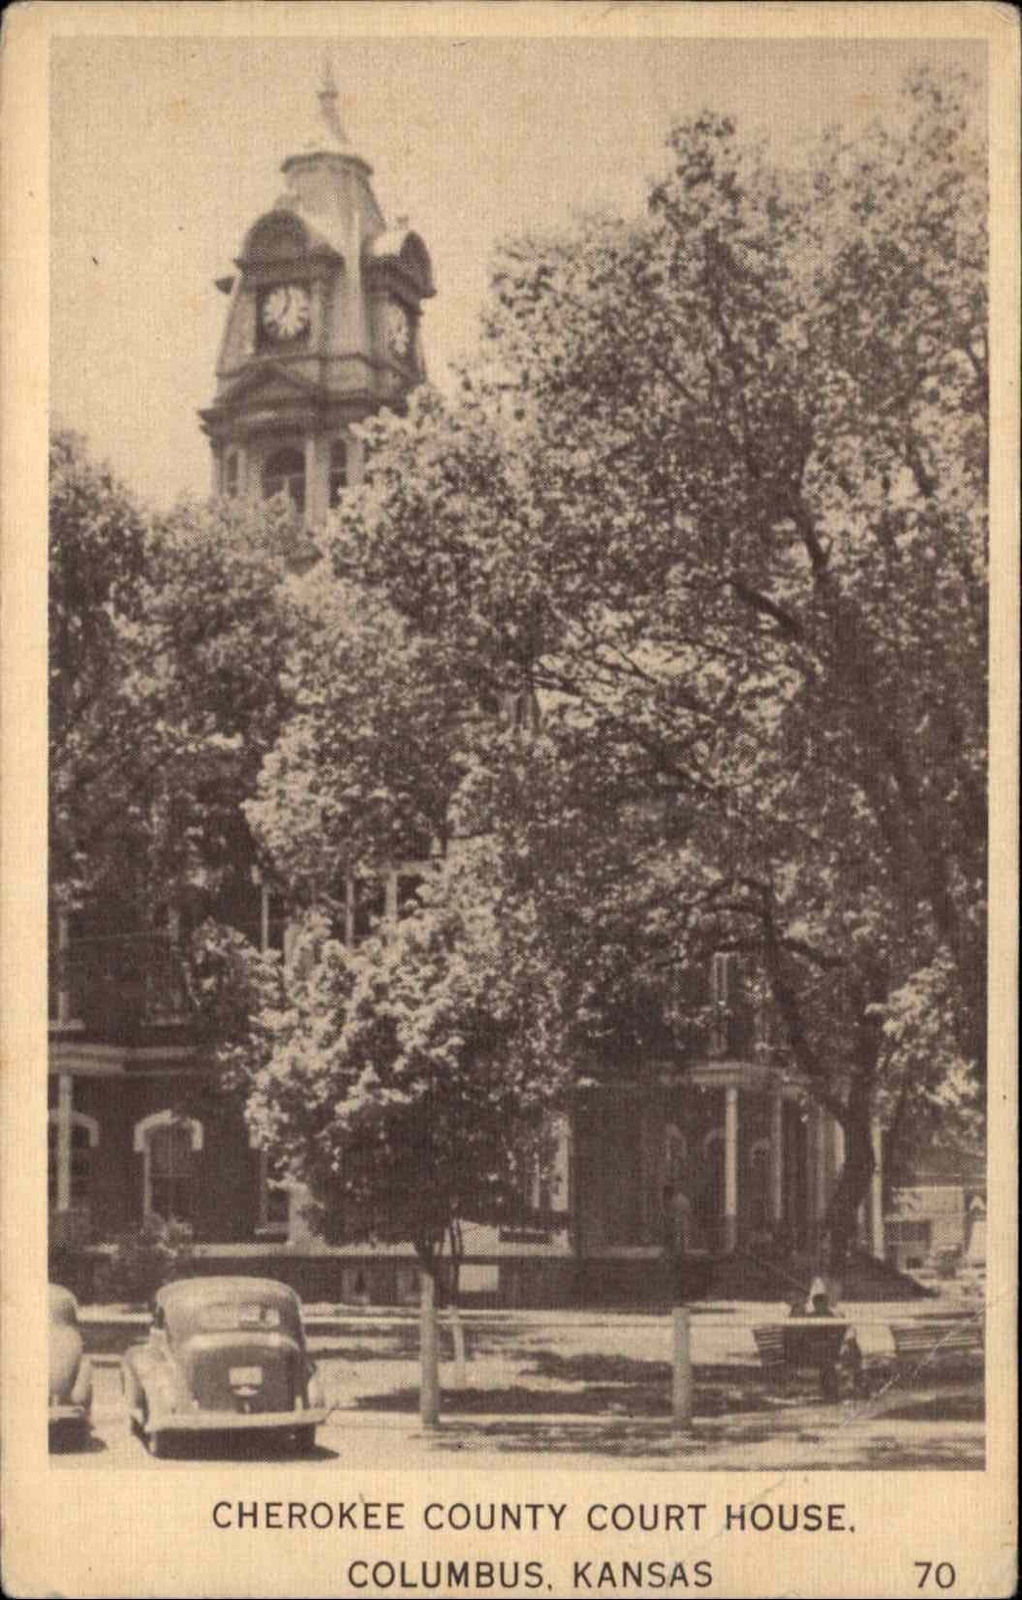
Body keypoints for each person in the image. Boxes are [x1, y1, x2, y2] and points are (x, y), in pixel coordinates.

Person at [662, 1182, 710, 1304]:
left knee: (678, 1240)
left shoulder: (673, 1201)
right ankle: (683, 1251)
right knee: (684, 1239)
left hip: (678, 1224)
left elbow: (670, 1217)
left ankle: (679, 1253)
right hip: (685, 1224)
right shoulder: (683, 1199)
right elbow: (689, 1213)